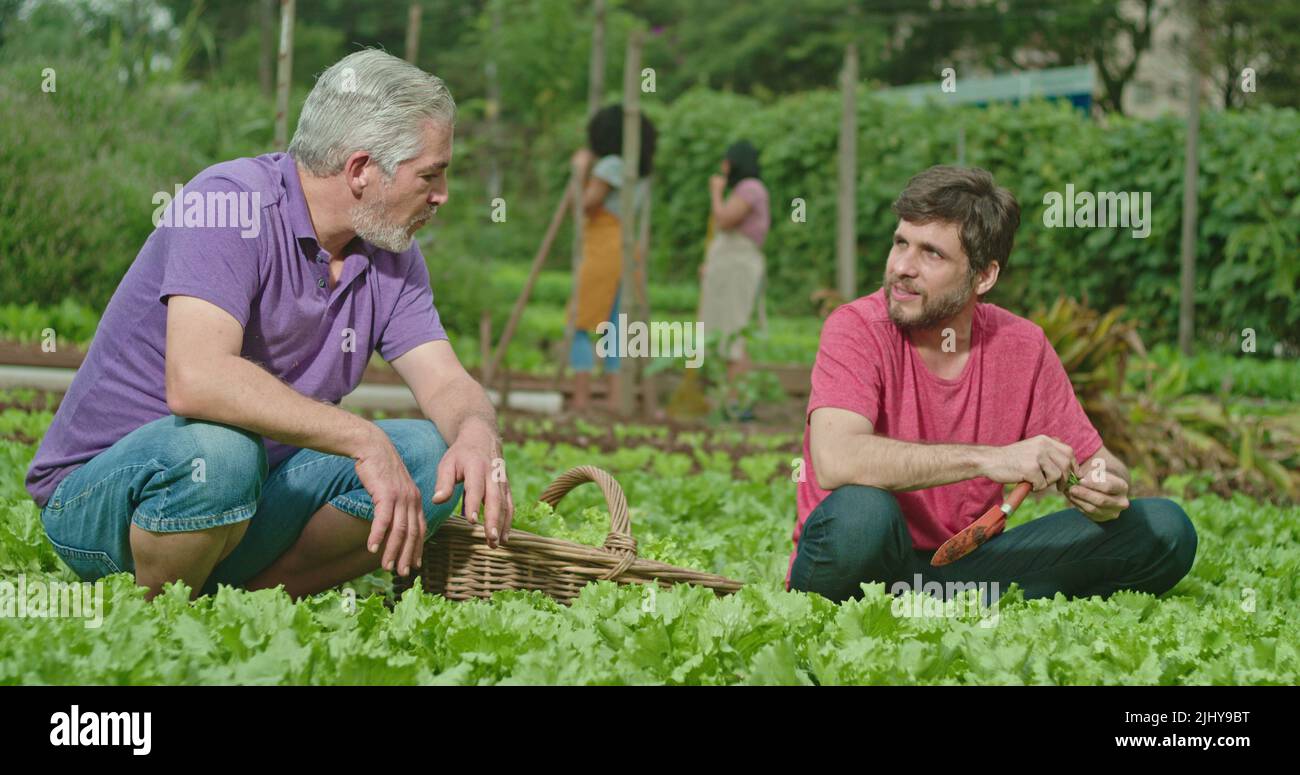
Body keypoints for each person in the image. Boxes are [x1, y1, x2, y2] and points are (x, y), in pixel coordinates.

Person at [25, 49, 514, 602]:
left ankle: (251, 605)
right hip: (108, 499)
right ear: (360, 170)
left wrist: (476, 434)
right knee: (220, 451)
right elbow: (198, 380)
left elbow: (445, 381)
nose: (442, 194)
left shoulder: (389, 253)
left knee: (430, 455)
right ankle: (157, 615)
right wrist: (362, 438)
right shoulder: (227, 203)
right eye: (431, 174)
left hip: (245, 501)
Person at [787, 165, 1197, 603]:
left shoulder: (1022, 345)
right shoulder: (855, 328)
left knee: (1164, 527)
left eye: (932, 254)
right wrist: (991, 460)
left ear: (984, 276)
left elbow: (1099, 461)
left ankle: (939, 603)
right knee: (863, 515)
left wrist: (1104, 484)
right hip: (866, 562)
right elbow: (835, 459)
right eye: (901, 242)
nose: (902, 267)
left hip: (964, 567)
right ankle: (928, 605)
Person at [566, 104, 657, 413]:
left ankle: (581, 400)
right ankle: (617, 402)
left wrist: (579, 171)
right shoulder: (639, 168)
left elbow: (586, 204)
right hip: (628, 250)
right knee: (617, 326)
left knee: (583, 319)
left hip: (604, 247)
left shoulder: (610, 165)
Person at [700, 140, 770, 418]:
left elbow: (724, 220)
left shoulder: (750, 188)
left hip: (738, 269)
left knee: (733, 332)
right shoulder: (745, 189)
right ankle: (731, 400)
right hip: (729, 268)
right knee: (726, 332)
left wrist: (715, 193)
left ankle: (739, 404)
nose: (722, 169)